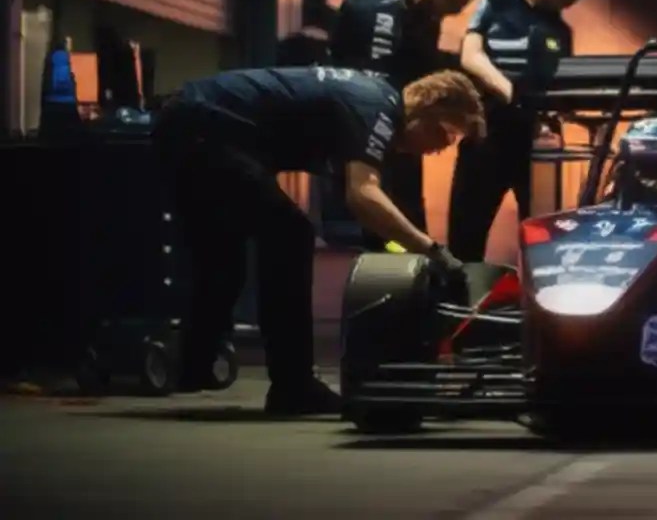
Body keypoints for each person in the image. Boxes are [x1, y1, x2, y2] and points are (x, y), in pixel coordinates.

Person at [152, 67, 485, 415]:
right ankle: (292, 386)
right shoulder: (377, 106)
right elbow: (363, 195)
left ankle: (192, 364)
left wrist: (403, 253)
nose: (440, 149)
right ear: (425, 106)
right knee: (290, 235)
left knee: (222, 252)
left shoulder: (369, 103)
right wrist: (433, 250)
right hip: (204, 128)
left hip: (190, 123)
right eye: (446, 133)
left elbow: (368, 214)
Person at [450, 0, 609, 262]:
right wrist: (509, 91)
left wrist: (582, 116)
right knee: (466, 237)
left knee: (543, 239)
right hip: (487, 137)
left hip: (534, 148)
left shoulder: (560, 33)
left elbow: (559, 94)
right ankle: (458, 306)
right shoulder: (497, 2)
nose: (572, 0)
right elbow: (470, 55)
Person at [329, 0, 488, 249]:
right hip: (364, 115)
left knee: (409, 208)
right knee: (380, 210)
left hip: (395, 113)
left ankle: (414, 280)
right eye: (452, 1)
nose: (453, 10)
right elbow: (372, 82)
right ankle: (384, 279)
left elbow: (420, 65)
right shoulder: (382, 6)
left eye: (461, 5)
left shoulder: (425, 9)